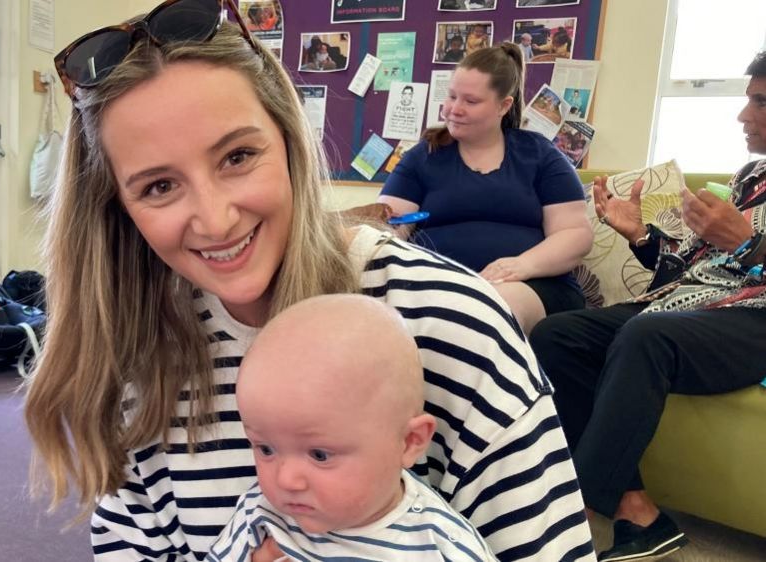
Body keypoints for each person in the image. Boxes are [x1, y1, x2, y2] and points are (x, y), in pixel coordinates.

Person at [26, 4, 595, 561]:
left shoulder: (456, 328)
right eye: (157, 187)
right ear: (117, 208)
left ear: (290, 141)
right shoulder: (135, 352)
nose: (216, 218)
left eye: (238, 156)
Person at [530, 51, 766, 562]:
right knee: (555, 335)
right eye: (748, 101)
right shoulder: (751, 176)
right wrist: (640, 236)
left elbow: (742, 257)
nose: (744, 116)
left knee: (646, 336)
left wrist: (749, 245)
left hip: (755, 319)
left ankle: (572, 508)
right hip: (691, 307)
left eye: (760, 103)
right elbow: (692, 271)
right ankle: (636, 511)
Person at [205, 294, 496, 561]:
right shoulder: (260, 512)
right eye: (266, 449)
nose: (286, 479)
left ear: (409, 442)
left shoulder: (443, 546)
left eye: (319, 454)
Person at [379, 43, 593, 333]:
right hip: (436, 285)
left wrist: (520, 266)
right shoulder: (422, 157)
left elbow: (575, 235)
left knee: (483, 310)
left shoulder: (540, 156)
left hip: (529, 285)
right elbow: (388, 227)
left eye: (471, 101)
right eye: (452, 96)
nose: (454, 109)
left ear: (504, 106)